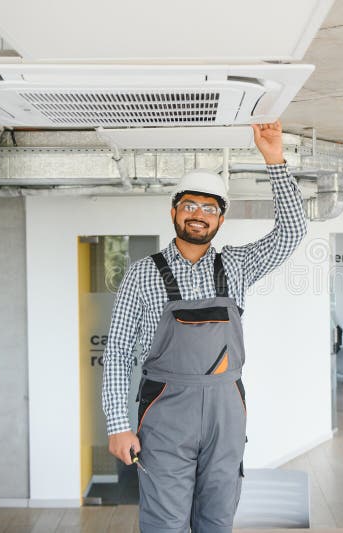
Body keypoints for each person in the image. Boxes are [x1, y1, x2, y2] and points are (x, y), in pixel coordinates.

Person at [102, 120, 307, 533]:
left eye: (210, 208)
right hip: (165, 409)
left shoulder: (238, 264)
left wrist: (274, 160)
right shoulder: (143, 274)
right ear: (174, 211)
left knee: (217, 518)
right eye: (191, 205)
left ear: (221, 219)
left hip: (225, 409)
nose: (200, 215)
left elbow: (292, 232)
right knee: (165, 521)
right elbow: (120, 349)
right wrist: (117, 425)